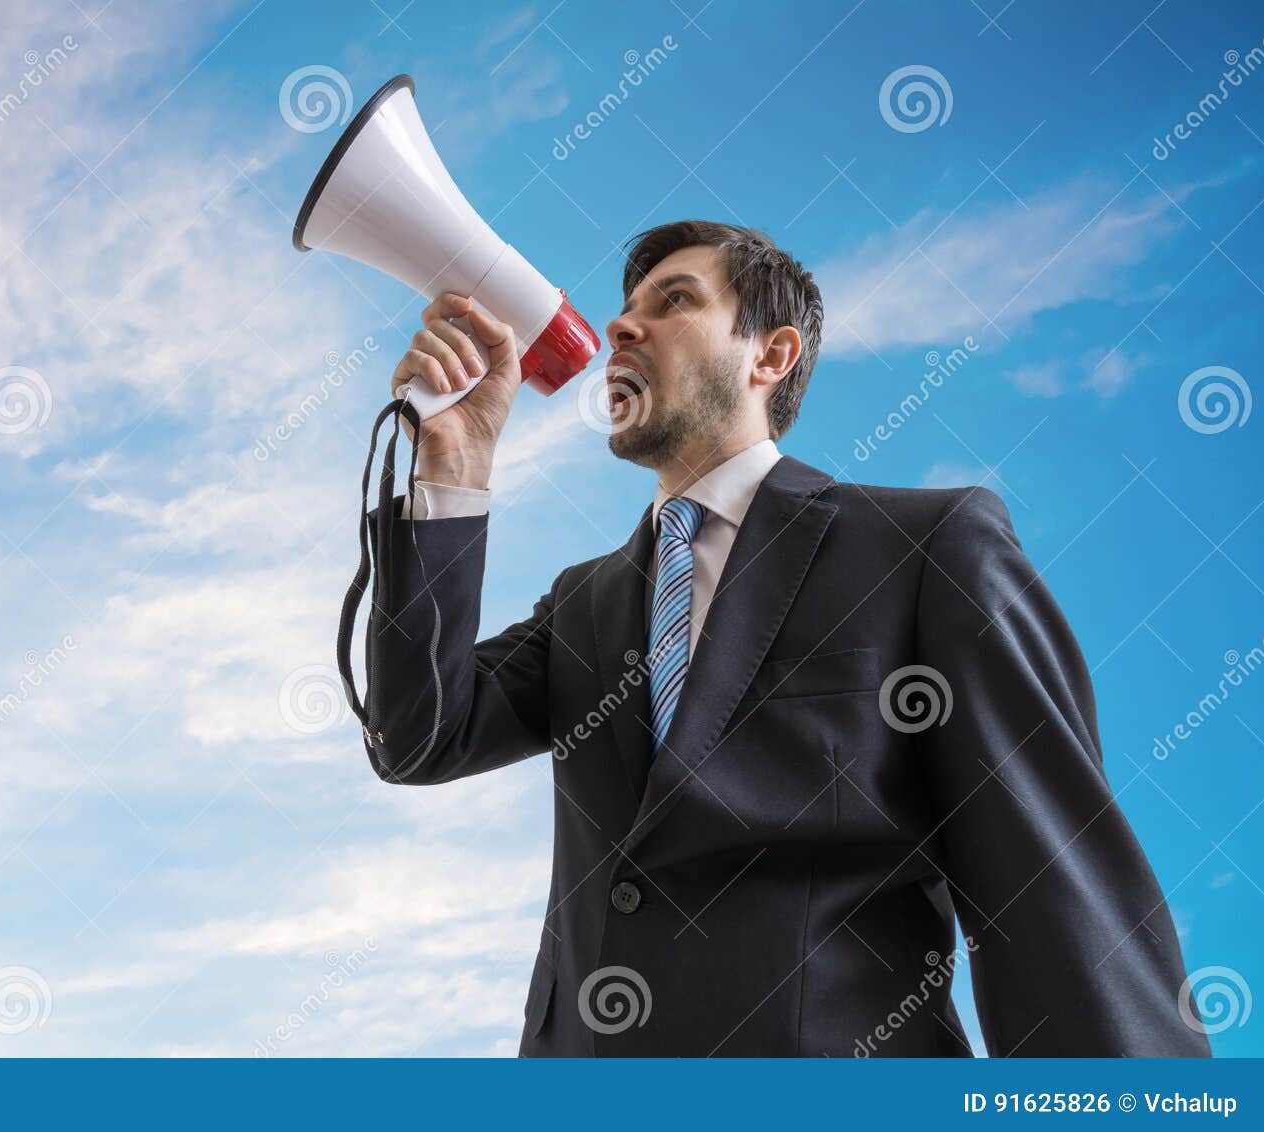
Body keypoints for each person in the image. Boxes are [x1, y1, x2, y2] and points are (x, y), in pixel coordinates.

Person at [357, 219, 1210, 1058]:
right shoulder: (583, 603)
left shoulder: (922, 550)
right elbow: (417, 735)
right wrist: (454, 469)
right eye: (626, 306)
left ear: (771, 356)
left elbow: (1052, 885)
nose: (621, 324)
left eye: (675, 299)